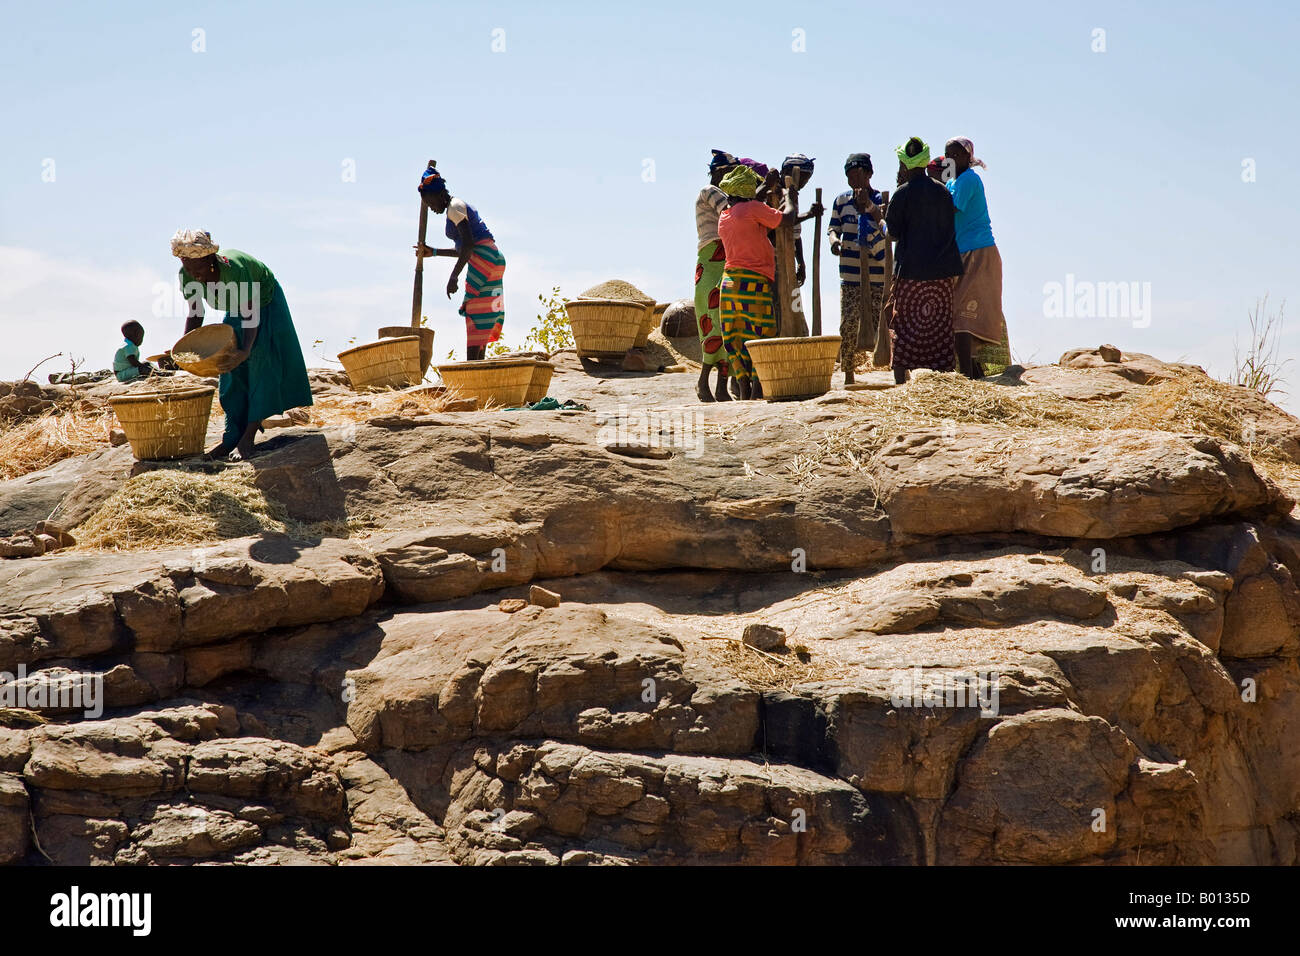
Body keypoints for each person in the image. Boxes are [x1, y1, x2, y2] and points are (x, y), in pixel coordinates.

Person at [172, 229, 313, 459]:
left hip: (264, 303)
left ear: (210, 260)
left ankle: (247, 438)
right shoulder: (187, 274)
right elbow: (196, 312)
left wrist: (245, 350)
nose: (195, 275)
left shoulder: (234, 271)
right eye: (188, 268)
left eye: (198, 269)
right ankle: (230, 438)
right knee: (228, 369)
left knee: (259, 363)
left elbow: (251, 311)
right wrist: (184, 347)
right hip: (237, 308)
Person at [879, 137, 964, 384]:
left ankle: (901, 384)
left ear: (904, 166)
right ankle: (945, 382)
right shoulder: (942, 191)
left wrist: (880, 219)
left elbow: (892, 234)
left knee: (904, 328)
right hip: (942, 272)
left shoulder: (902, 194)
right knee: (939, 329)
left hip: (911, 273)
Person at [716, 165, 796, 400]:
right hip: (754, 282)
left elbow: (750, 206)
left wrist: (764, 187)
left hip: (729, 284)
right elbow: (787, 219)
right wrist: (791, 197)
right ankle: (757, 390)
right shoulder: (753, 208)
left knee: (735, 337)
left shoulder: (726, 215)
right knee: (761, 335)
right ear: (748, 191)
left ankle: (743, 387)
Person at [414, 163, 506, 360]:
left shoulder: (454, 208)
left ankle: (473, 366)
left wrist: (453, 276)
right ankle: (477, 366)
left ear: (438, 195)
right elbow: (464, 248)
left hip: (484, 259)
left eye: (430, 204)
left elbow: (469, 246)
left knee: (474, 313)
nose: (431, 208)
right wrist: (435, 252)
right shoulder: (454, 207)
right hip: (491, 258)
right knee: (481, 315)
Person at [944, 136, 1009, 377]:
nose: (950, 159)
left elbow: (949, 208)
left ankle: (968, 375)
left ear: (964, 157)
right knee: (960, 313)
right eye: (947, 154)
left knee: (963, 314)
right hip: (964, 251)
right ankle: (972, 370)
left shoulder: (969, 179)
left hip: (978, 252)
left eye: (953, 154)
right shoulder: (955, 181)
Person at [828, 153, 887, 384]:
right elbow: (833, 228)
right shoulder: (841, 201)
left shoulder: (880, 200)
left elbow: (886, 228)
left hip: (876, 275)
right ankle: (849, 373)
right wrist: (834, 242)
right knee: (849, 323)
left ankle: (890, 367)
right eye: (850, 175)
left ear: (869, 174)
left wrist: (869, 207)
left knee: (880, 322)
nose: (854, 179)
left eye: (859, 174)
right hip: (850, 274)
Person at [693, 149, 737, 402]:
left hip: (722, 260)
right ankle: (702, 382)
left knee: (725, 319)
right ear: (721, 172)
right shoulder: (709, 191)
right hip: (712, 261)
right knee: (713, 319)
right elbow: (729, 212)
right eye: (730, 173)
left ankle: (720, 386)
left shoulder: (717, 191)